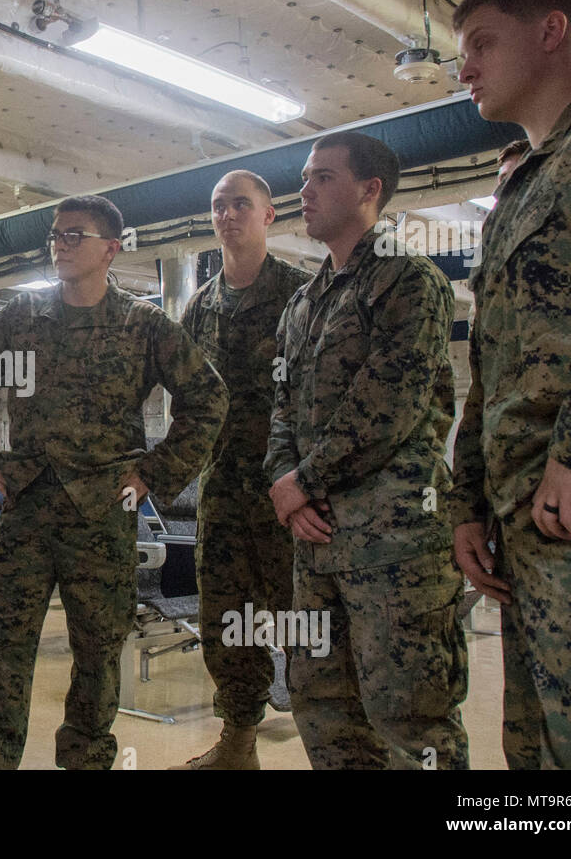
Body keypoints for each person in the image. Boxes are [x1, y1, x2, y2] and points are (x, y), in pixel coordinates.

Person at [0, 194, 229, 769]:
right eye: (55, 235)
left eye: (74, 235)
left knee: (99, 652)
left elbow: (208, 398)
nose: (60, 245)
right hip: (27, 506)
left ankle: (86, 760)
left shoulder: (143, 325)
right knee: (5, 646)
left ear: (111, 248)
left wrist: (154, 472)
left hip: (103, 511)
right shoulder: (18, 319)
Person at [450, 0, 571, 769]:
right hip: (522, 518)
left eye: (481, 45)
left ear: (552, 30)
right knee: (538, 748)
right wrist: (467, 500)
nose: (465, 69)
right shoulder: (525, 181)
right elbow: (487, 363)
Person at [265, 132, 468, 769]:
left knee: (409, 715)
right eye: (304, 177)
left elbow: (390, 403)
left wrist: (305, 480)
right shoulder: (301, 304)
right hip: (319, 543)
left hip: (394, 542)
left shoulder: (411, 281)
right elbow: (281, 406)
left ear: (369, 190)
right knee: (324, 709)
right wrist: (282, 481)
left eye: (323, 177)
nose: (305, 190)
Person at [171, 171, 311, 770]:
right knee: (229, 622)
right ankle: (238, 745)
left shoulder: (305, 294)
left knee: (305, 625)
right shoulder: (198, 308)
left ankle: (334, 746)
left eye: (240, 204)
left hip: (290, 492)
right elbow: (183, 396)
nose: (228, 214)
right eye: (218, 205)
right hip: (223, 494)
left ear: (269, 215)